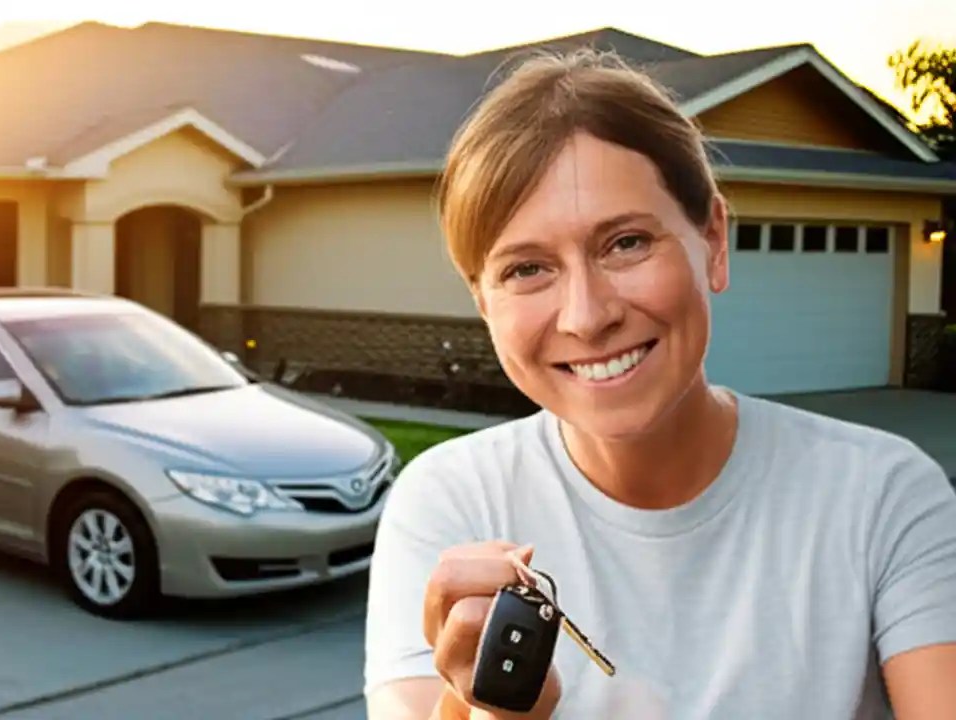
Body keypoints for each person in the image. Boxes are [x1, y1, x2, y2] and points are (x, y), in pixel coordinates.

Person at [362, 48, 956, 719]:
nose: (587, 317)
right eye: (527, 269)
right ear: (483, 302)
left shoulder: (884, 499)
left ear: (714, 241)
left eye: (626, 243)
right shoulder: (447, 508)